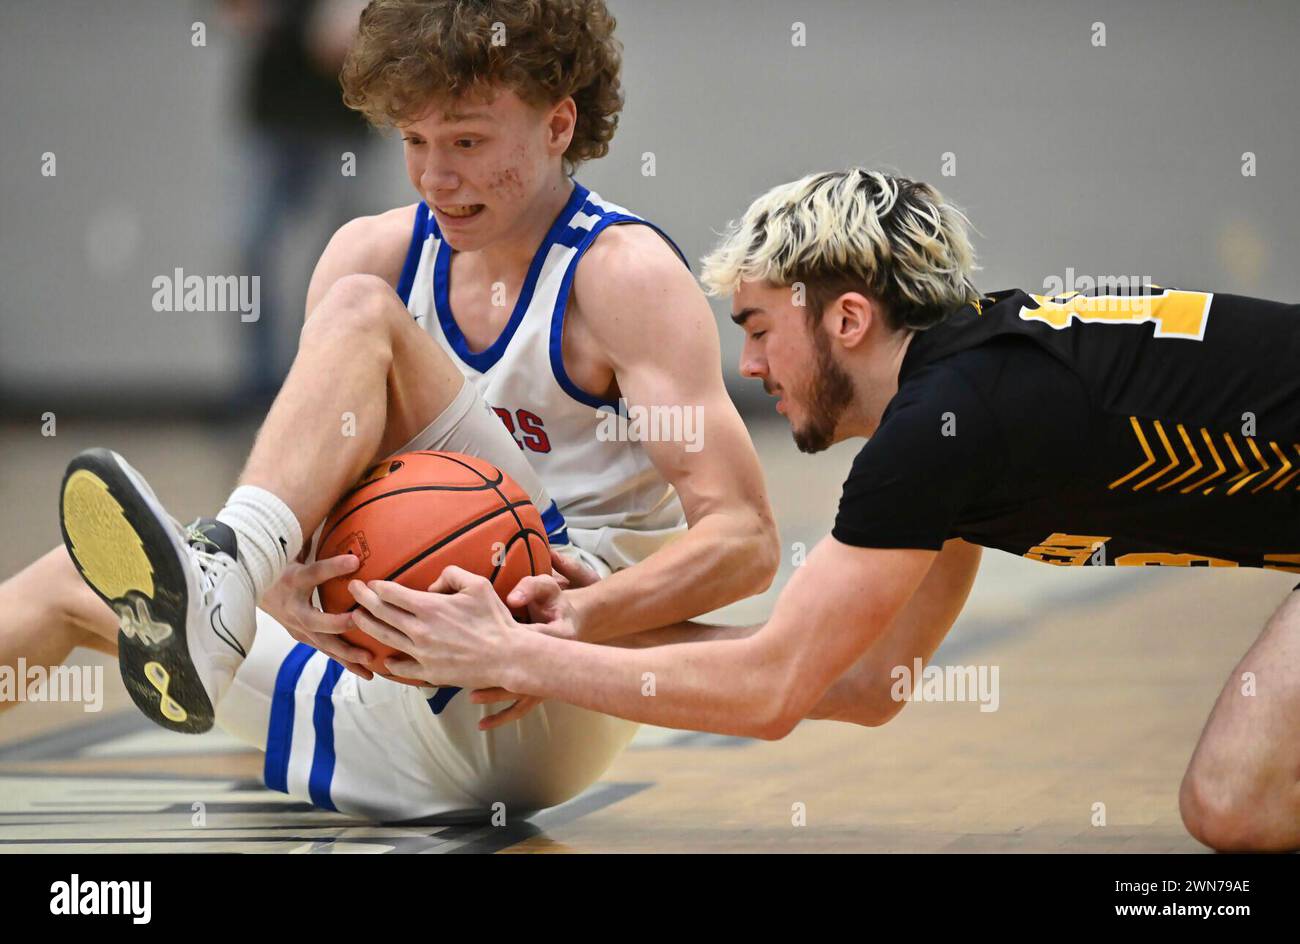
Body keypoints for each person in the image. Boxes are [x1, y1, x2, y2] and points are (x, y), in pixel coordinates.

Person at [359, 168, 1300, 851]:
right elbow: (862, 683)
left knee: (1236, 806)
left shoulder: (947, 423)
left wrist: (514, 654)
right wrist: (571, 624)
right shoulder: (965, 407)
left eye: (761, 329)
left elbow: (772, 693)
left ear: (847, 320)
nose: (751, 367)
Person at [5, 0, 777, 823]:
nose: (436, 176)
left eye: (468, 142)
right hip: (385, 691)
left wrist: (573, 617)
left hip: (542, 688)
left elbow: (746, 540)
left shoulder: (620, 275)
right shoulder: (375, 247)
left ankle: (223, 580)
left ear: (558, 125)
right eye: (414, 141)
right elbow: (302, 503)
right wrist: (289, 586)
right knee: (69, 580)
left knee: (362, 312)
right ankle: (231, 586)